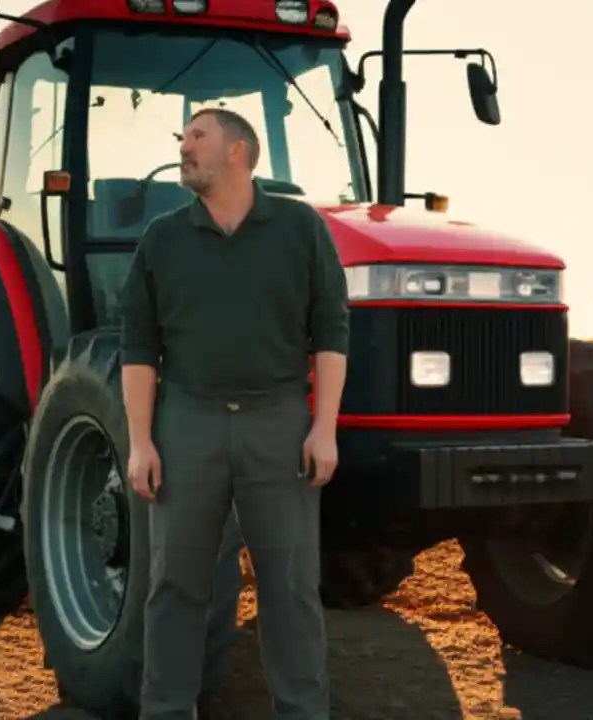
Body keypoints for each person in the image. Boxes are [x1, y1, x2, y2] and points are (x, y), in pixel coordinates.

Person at [119, 106, 349, 720]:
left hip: (278, 424)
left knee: (292, 589)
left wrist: (323, 427)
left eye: (197, 137)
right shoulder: (162, 239)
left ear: (238, 153)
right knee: (175, 587)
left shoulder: (300, 229)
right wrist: (141, 442)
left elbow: (331, 331)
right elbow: (138, 346)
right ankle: (166, 712)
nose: (183, 146)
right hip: (187, 424)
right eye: (184, 136)